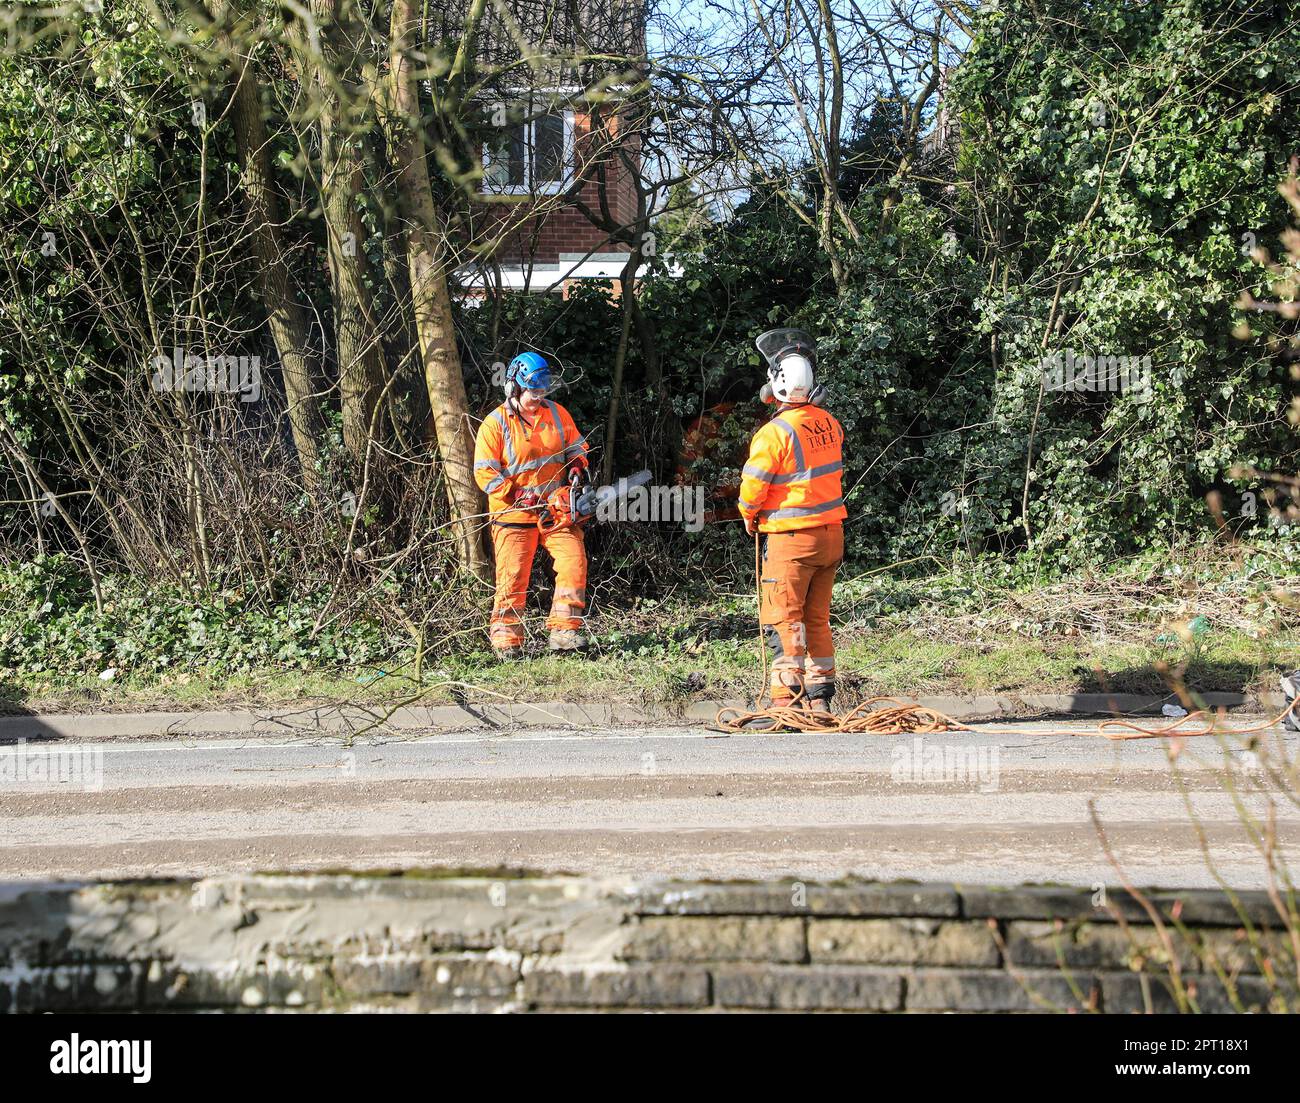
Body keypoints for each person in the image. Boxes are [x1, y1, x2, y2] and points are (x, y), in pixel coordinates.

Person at [737, 329, 847, 714]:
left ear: (775, 385)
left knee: (783, 620)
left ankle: (786, 704)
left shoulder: (773, 433)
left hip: (791, 541)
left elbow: (753, 489)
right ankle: (820, 703)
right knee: (816, 619)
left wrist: (749, 516)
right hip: (831, 536)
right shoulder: (830, 423)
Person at [473, 352, 590, 659]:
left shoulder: (557, 413)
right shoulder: (495, 424)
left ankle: (564, 631)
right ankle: (506, 642)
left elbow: (577, 447)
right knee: (512, 580)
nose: (537, 397)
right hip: (512, 514)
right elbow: (484, 472)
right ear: (513, 388)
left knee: (573, 564)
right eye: (532, 391)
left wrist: (578, 465)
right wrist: (514, 494)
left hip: (555, 510)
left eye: (542, 391)